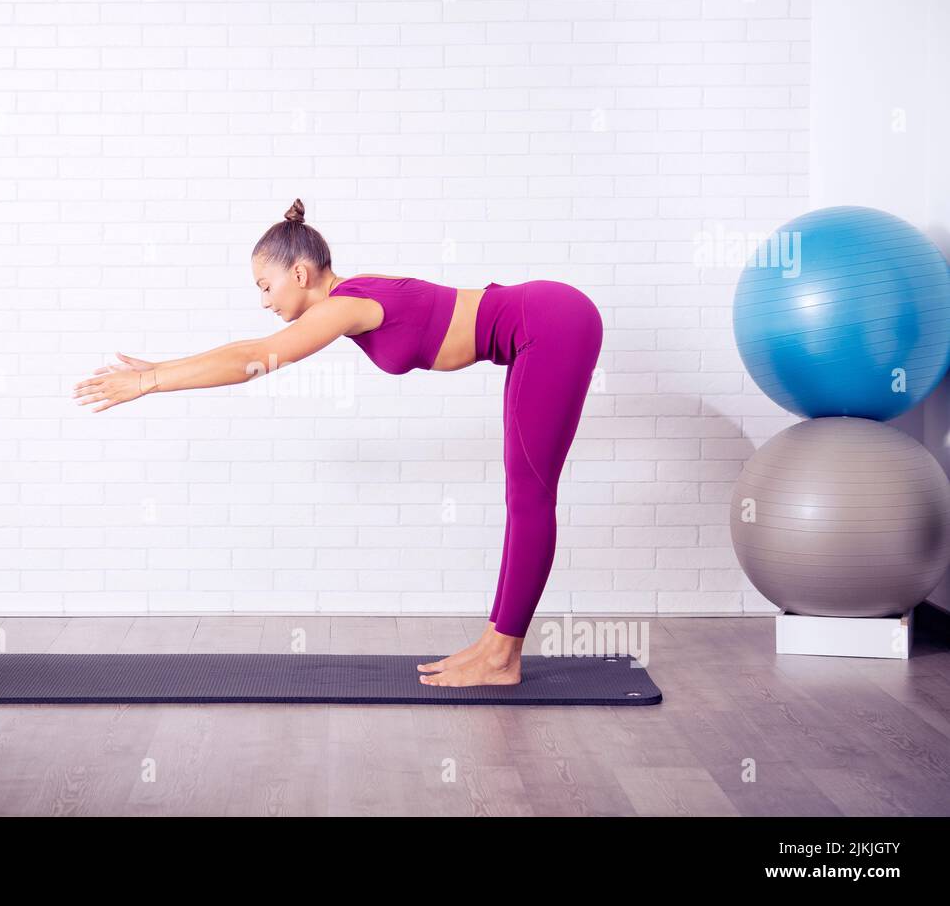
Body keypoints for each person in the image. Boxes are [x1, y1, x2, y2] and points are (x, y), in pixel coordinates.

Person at [73, 199, 603, 687]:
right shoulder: (353, 293)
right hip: (537, 329)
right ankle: (496, 644)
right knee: (521, 495)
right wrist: (161, 366)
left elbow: (255, 358)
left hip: (552, 326)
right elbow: (253, 346)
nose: (262, 300)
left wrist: (149, 383)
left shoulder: (346, 305)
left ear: (299, 273)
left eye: (265, 285)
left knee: (530, 496)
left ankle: (501, 657)